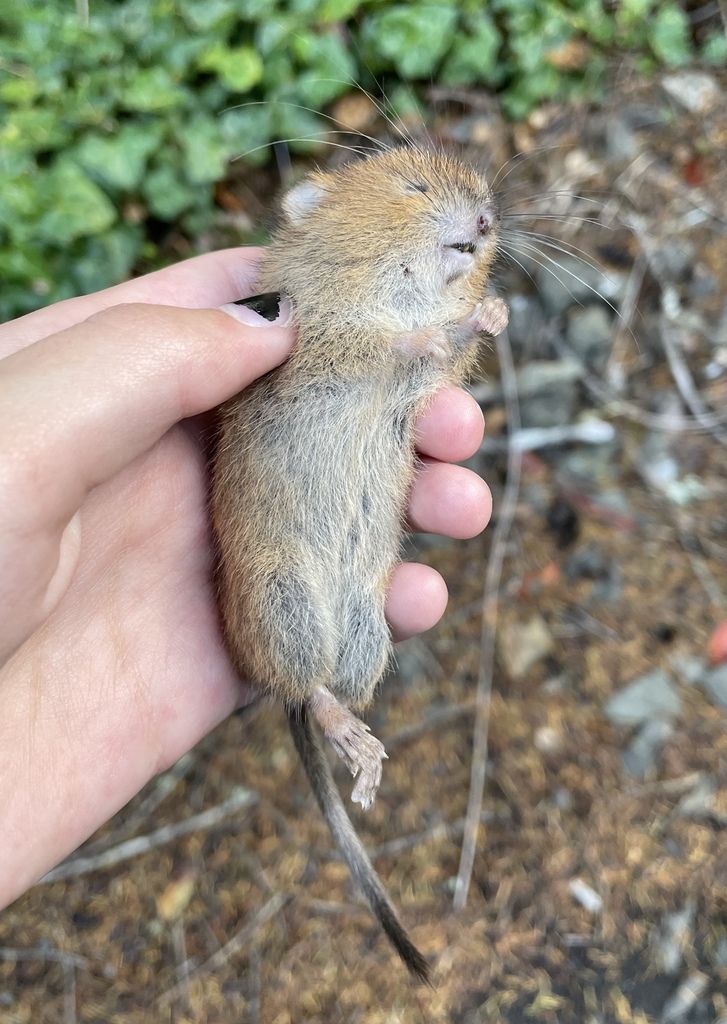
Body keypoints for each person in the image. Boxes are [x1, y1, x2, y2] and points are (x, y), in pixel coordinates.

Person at [0, 247, 491, 908]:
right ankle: (323, 709)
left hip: (355, 547)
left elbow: (416, 383)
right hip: (278, 534)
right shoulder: (311, 288)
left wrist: (463, 332)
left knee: (362, 643)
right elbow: (326, 354)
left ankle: (330, 701)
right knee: (290, 624)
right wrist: (405, 339)